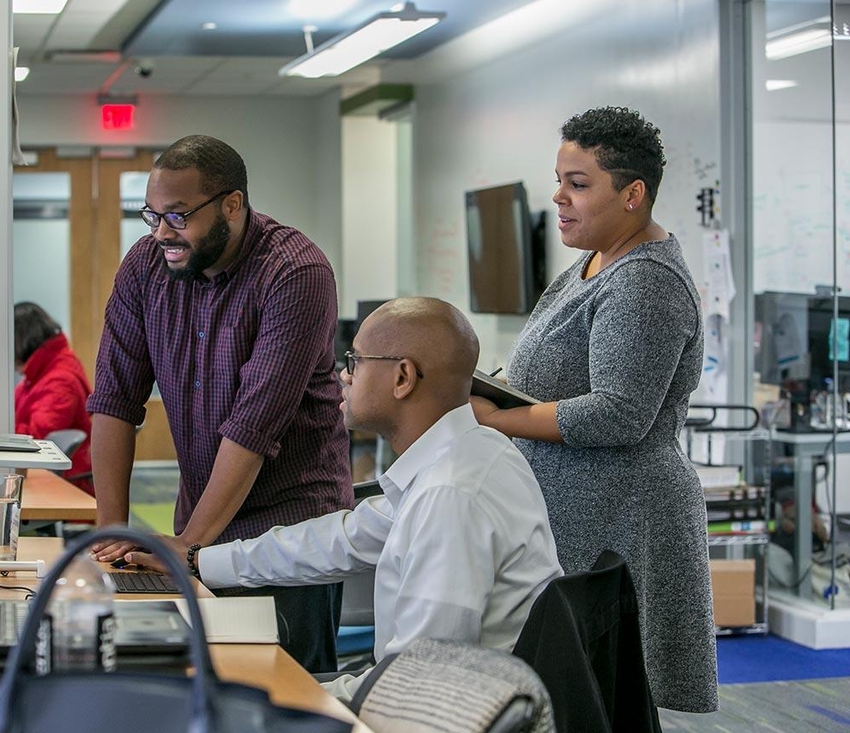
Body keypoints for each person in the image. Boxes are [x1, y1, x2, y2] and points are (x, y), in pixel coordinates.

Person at [127, 297, 563, 703]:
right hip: (438, 698)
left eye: (354, 361)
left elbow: (419, 684)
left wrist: (284, 700)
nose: (343, 375)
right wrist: (198, 560)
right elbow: (341, 539)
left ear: (402, 377)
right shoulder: (475, 452)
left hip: (438, 709)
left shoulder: (450, 495)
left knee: (216, 697)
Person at [470, 106, 718, 713]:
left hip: (620, 518)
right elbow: (543, 376)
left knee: (600, 699)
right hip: (577, 511)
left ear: (633, 194)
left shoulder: (645, 282)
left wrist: (496, 417)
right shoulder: (590, 263)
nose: (559, 197)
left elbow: (617, 414)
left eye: (578, 185)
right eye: (559, 179)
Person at [86, 134, 354, 673]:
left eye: (179, 216)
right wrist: (108, 536)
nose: (163, 232)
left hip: (288, 537)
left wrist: (188, 546)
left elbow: (252, 427)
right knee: (202, 691)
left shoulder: (295, 273)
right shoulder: (146, 266)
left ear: (232, 204)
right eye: (153, 215)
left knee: (281, 699)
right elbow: (115, 400)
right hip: (202, 522)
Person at [13, 302, 93, 494]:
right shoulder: (44, 371)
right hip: (50, 476)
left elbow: (37, 438)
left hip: (64, 483)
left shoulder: (59, 381)